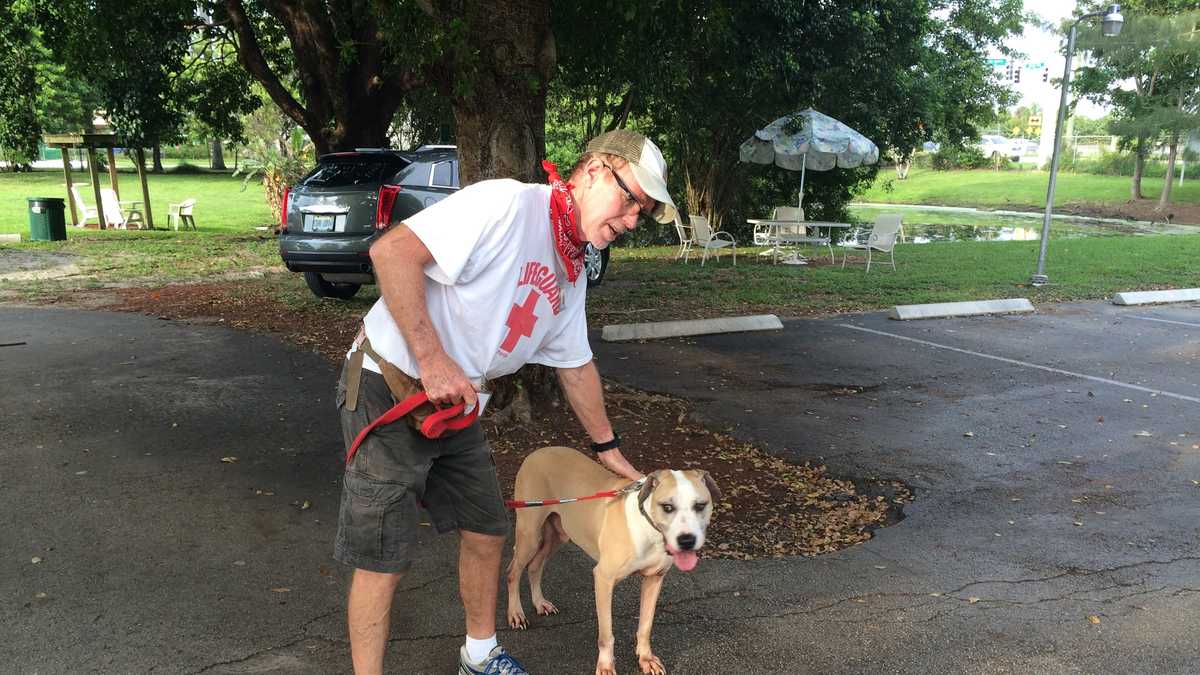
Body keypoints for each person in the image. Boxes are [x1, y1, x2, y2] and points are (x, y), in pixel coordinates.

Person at [333, 129, 679, 675]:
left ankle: (479, 653)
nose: (634, 219)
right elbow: (391, 251)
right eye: (632, 199)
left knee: (488, 528)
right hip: (389, 382)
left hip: (456, 402)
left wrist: (607, 446)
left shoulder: (572, 267)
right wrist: (433, 359)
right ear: (594, 170)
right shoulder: (507, 205)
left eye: (643, 210)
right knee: (384, 552)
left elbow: (576, 364)